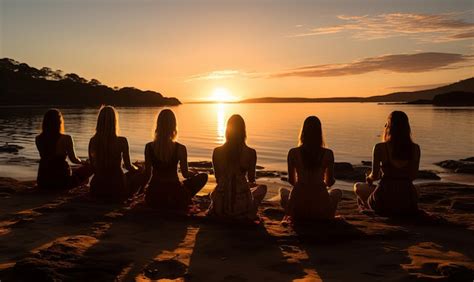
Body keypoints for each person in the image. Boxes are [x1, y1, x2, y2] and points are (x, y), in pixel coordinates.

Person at [354, 111, 420, 216]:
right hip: (407, 199)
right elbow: (413, 176)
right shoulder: (415, 148)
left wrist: (369, 178)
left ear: (389, 126)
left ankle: (368, 206)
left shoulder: (380, 147)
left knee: (358, 187)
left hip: (385, 198)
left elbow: (374, 176)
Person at [279, 116, 342, 221]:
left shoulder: (293, 152)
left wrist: (303, 186)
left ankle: (293, 211)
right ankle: (329, 214)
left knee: (282, 191)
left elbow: (291, 181)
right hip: (321, 209)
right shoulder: (328, 153)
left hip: (298, 210)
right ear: (319, 132)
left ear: (303, 131)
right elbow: (330, 182)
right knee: (337, 192)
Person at [143, 109, 208, 211]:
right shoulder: (180, 148)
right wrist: (194, 173)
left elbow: (147, 174)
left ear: (158, 125)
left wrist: (142, 191)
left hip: (154, 195)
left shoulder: (149, 147)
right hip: (174, 195)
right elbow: (185, 174)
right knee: (203, 176)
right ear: (173, 126)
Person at [207, 114, 267, 220]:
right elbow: (252, 179)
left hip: (220, 206)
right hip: (242, 207)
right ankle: (250, 209)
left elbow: (218, 178)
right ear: (243, 131)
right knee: (263, 188)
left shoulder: (217, 151)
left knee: (217, 192)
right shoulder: (251, 152)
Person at [88, 106, 141, 201]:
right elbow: (128, 166)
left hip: (97, 187)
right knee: (140, 172)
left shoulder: (93, 141)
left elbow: (93, 167)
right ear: (114, 122)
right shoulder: (122, 141)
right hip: (117, 187)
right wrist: (138, 168)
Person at [36, 109, 92, 190]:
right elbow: (74, 160)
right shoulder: (66, 138)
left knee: (74, 169)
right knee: (90, 167)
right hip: (61, 182)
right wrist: (84, 162)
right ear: (59, 122)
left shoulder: (38, 139)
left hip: (43, 181)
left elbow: (49, 160)